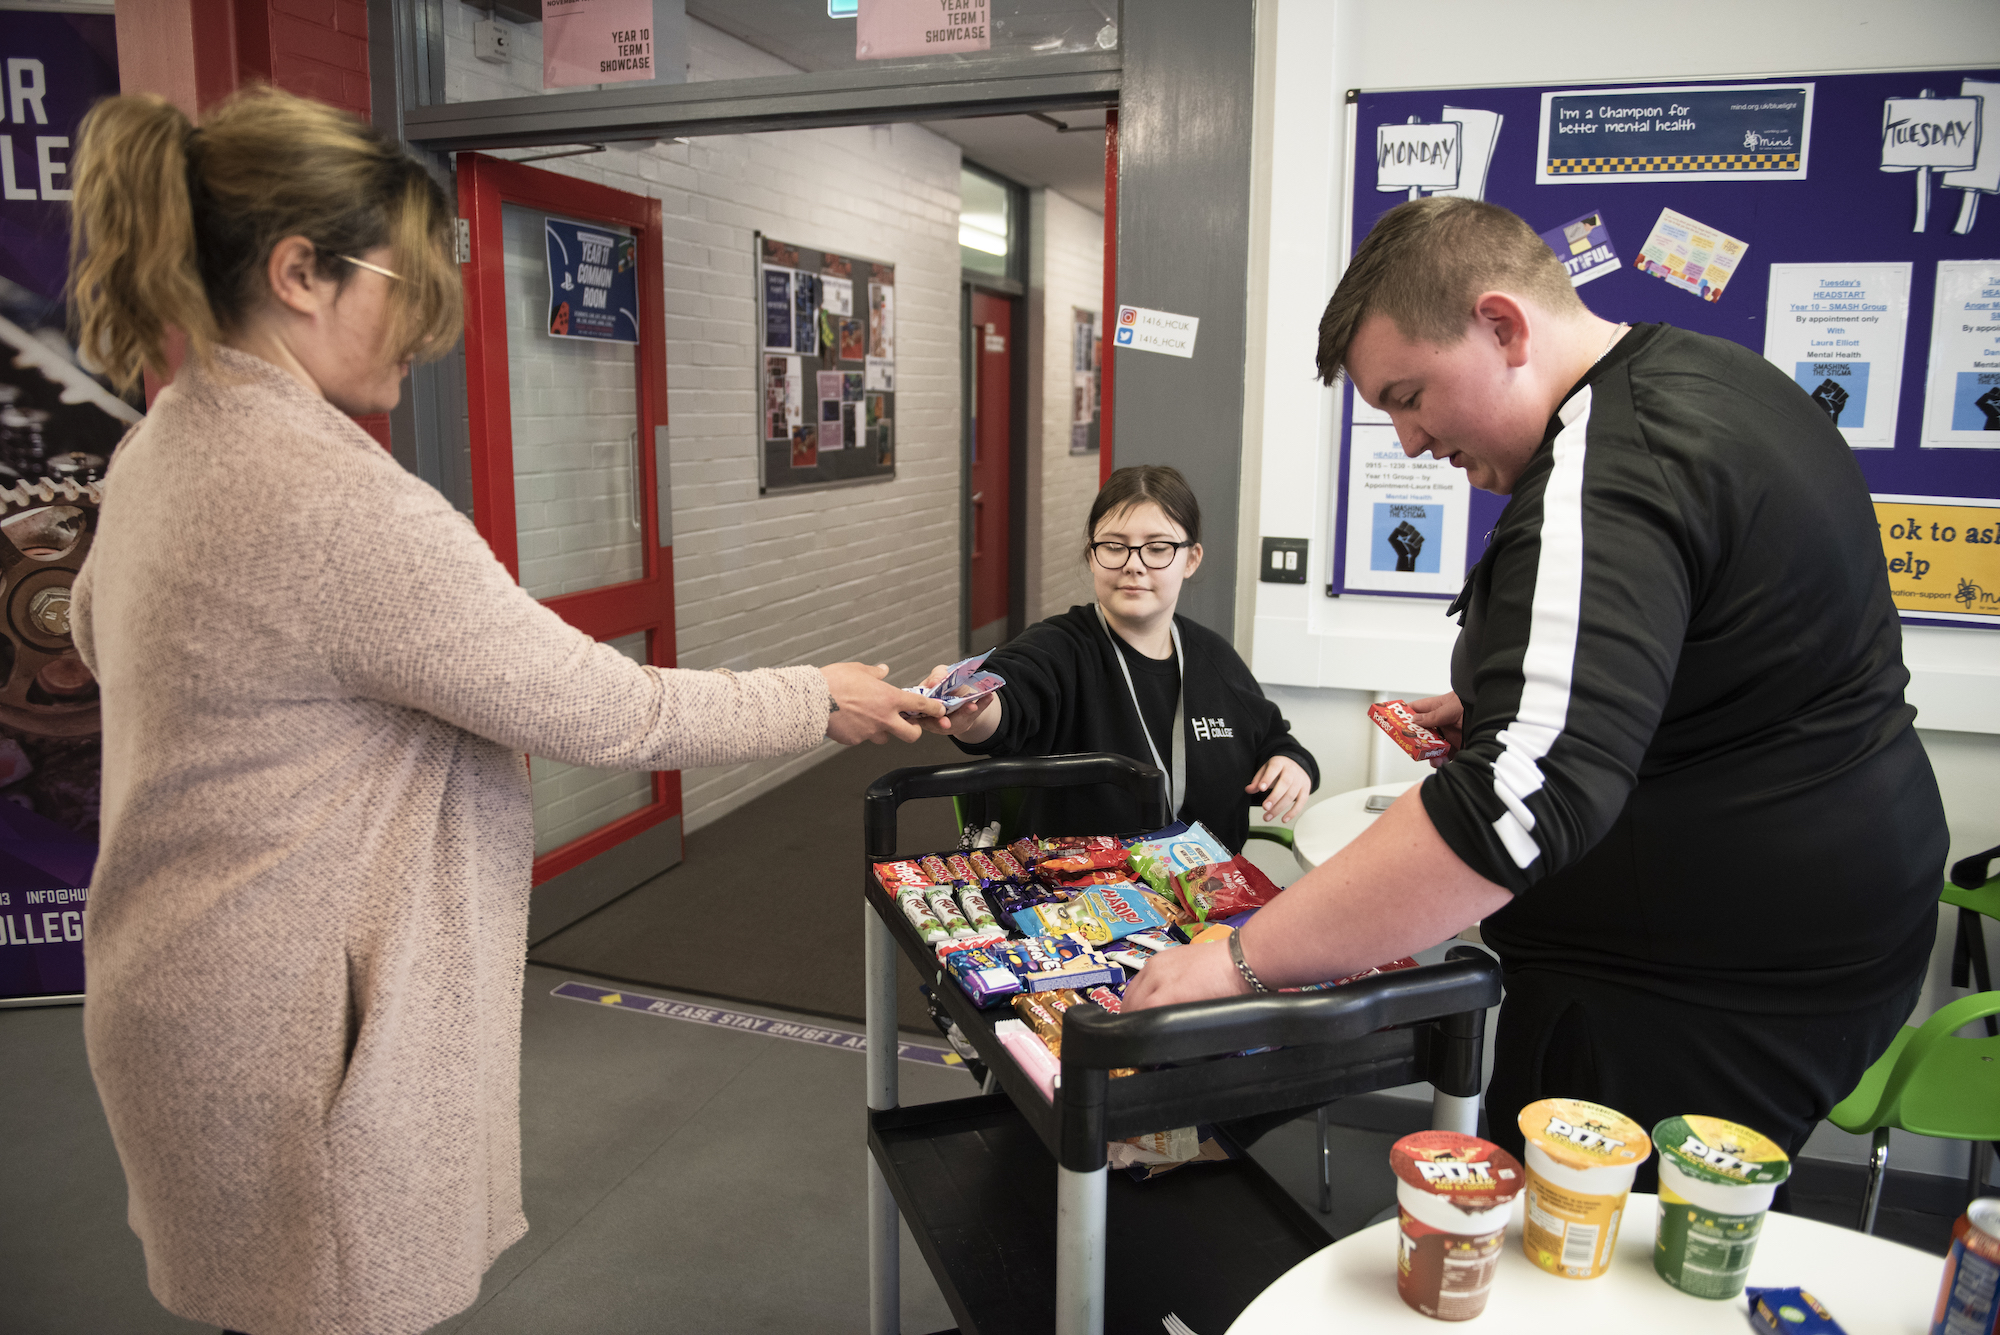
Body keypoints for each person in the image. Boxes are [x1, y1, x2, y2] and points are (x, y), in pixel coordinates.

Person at [66, 88, 942, 1335]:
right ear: (301, 271)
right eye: (404, 286)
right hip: (305, 1028)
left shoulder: (166, 448)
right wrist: (818, 697)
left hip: (187, 987)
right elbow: (605, 710)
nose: (423, 333)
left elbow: (97, 635)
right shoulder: (328, 500)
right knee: (331, 1300)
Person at [1122, 197, 1947, 1196]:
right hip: (1818, 923)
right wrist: (1506, 713)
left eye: (1409, 394)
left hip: (1701, 980)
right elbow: (1727, 654)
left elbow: (1516, 810)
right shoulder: (1705, 376)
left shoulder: (1603, 468)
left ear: (1501, 325)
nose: (1410, 440)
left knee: (1585, 1258)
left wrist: (1242, 963)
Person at [925, 465, 1317, 852]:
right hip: (1086, 904)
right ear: (1092, 557)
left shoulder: (1213, 656)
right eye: (1114, 546)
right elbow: (1003, 704)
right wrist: (969, 704)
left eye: (1158, 548)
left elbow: (1273, 738)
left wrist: (1291, 761)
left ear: (1191, 559)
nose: (1133, 563)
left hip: (1208, 899)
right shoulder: (1060, 646)